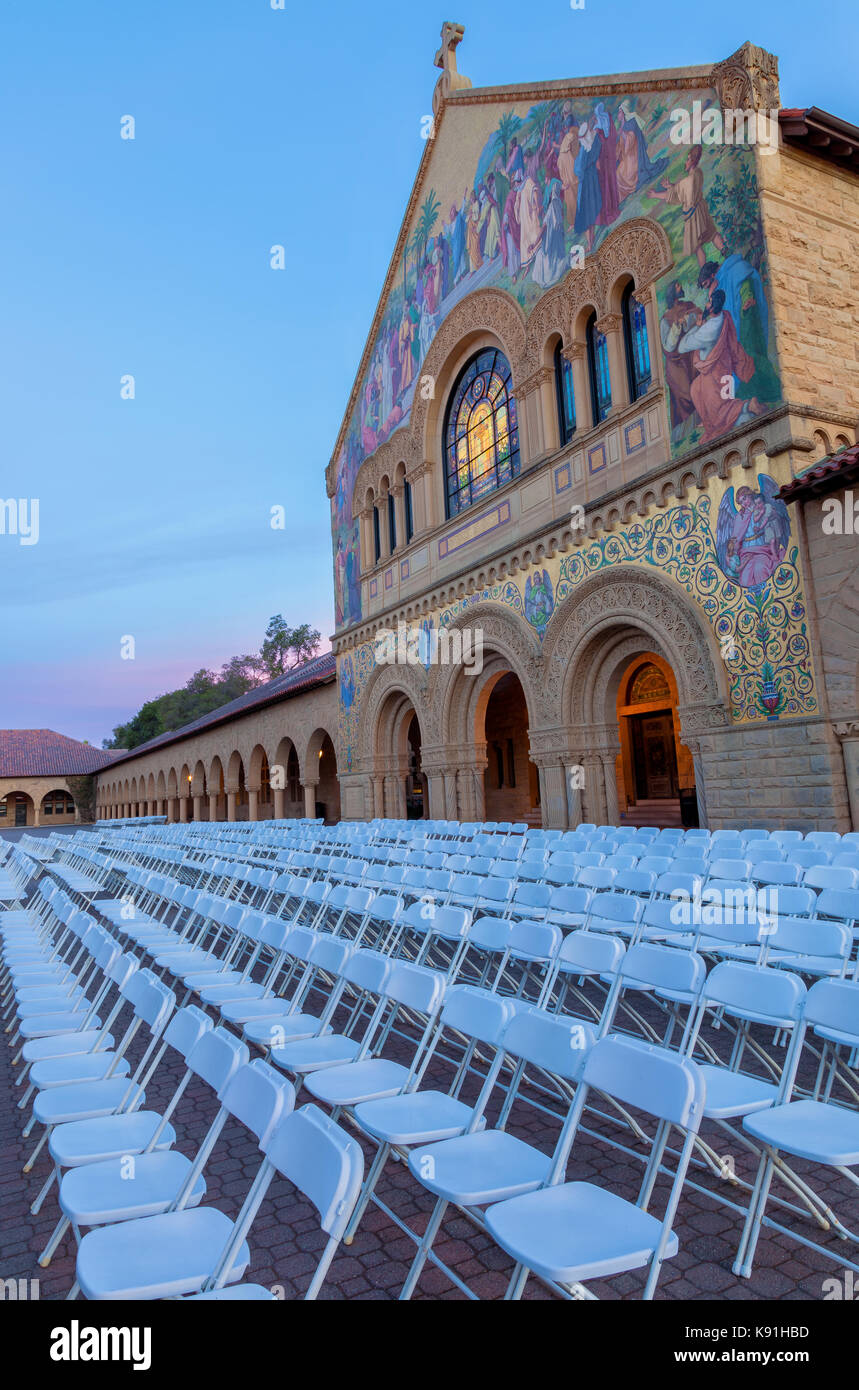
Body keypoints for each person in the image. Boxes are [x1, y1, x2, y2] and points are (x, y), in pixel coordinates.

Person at [676, 289, 763, 442]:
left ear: (712, 306)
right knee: (695, 389)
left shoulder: (709, 330)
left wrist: (696, 327)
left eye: (708, 301)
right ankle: (711, 422)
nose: (706, 303)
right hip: (721, 366)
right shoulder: (722, 316)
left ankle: (747, 406)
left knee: (720, 408)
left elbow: (682, 346)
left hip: (713, 372)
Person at [698, 258, 779, 402]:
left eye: (705, 284)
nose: (706, 287)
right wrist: (711, 292)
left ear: (711, 275)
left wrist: (747, 297)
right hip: (737, 322)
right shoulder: (718, 283)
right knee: (743, 357)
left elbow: (746, 281)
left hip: (747, 317)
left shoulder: (734, 269)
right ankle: (752, 391)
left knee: (751, 352)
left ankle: (771, 387)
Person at [649, 146, 725, 266]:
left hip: (693, 216)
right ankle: (725, 251)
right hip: (701, 208)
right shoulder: (698, 173)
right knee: (712, 233)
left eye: (688, 159)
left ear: (693, 161)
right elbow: (681, 189)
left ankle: (704, 271)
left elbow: (673, 195)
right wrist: (672, 186)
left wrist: (655, 194)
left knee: (696, 246)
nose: (686, 162)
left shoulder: (687, 181)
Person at [659, 280, 698, 433]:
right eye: (677, 286)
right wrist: (677, 325)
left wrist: (690, 319)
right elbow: (668, 346)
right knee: (686, 395)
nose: (680, 287)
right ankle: (690, 430)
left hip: (691, 357)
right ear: (672, 293)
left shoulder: (687, 305)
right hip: (677, 364)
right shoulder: (665, 319)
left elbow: (696, 319)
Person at [531, 180, 566, 287]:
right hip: (557, 244)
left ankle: (549, 274)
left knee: (540, 256)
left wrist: (534, 244)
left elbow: (544, 228)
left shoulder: (551, 209)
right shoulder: (558, 205)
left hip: (550, 246)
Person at [574, 123, 602, 251]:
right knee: (591, 211)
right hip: (593, 181)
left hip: (586, 185)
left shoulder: (584, 151)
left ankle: (590, 243)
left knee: (585, 213)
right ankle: (591, 240)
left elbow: (579, 169)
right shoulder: (595, 144)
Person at [594, 103, 619, 226]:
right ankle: (612, 207)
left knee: (605, 184)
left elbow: (598, 144)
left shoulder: (599, 128)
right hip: (608, 159)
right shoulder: (608, 121)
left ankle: (607, 211)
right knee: (609, 181)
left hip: (603, 160)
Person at [557, 115, 580, 228]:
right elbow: (576, 154)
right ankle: (574, 221)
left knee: (572, 196)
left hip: (567, 172)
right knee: (572, 196)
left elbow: (563, 158)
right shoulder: (572, 137)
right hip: (570, 171)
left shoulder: (569, 137)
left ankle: (574, 222)